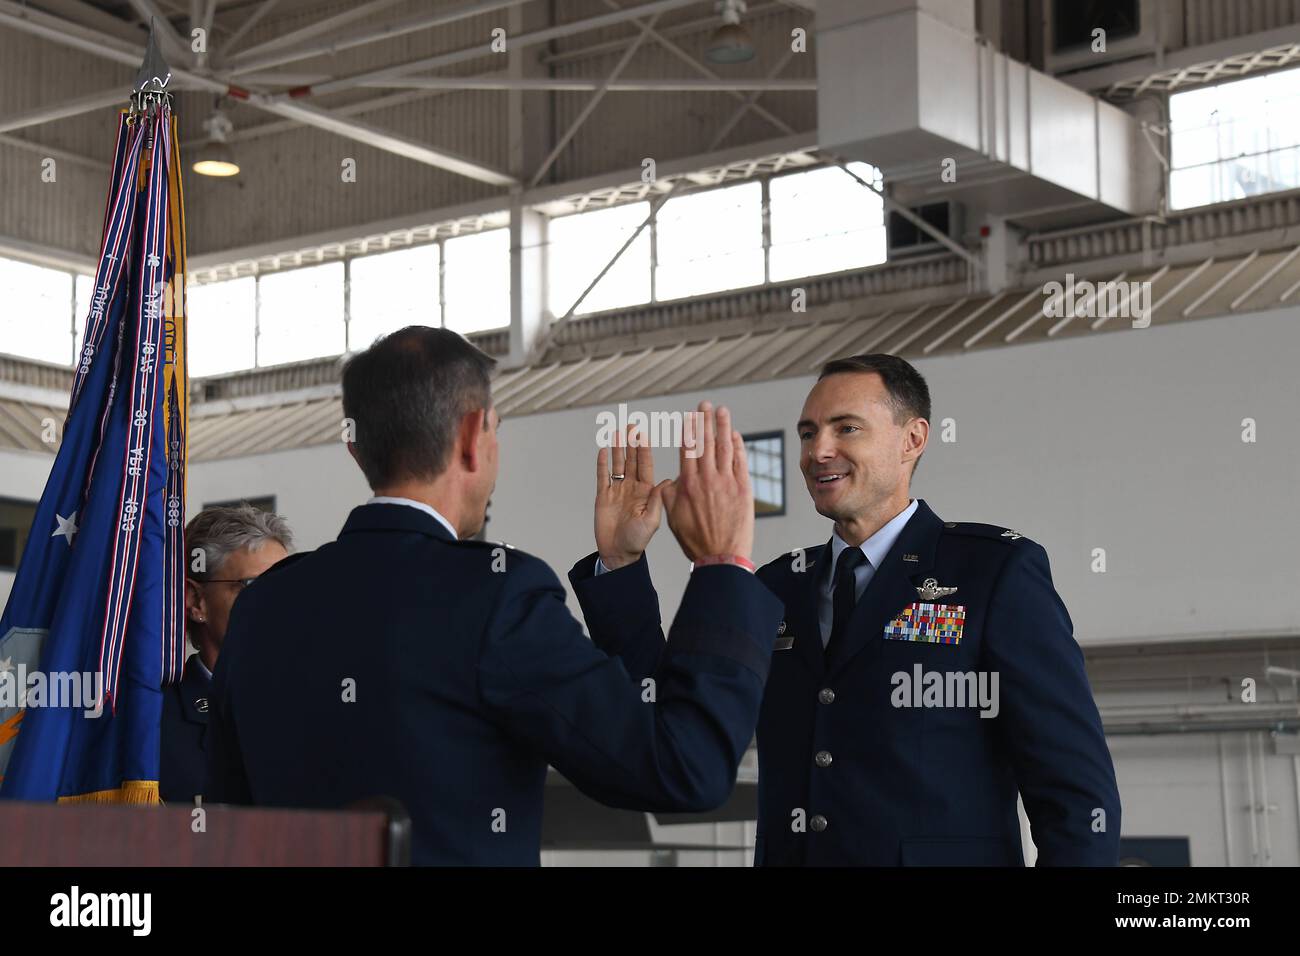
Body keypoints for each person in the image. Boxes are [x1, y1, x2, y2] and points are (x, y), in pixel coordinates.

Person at [204, 326, 781, 866]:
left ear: (358, 449)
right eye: (497, 428)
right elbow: (682, 766)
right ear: (471, 437)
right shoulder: (496, 597)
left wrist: (620, 566)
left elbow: (227, 820)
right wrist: (721, 564)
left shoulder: (261, 606)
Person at [570, 353, 1122, 866]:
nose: (818, 451)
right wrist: (620, 563)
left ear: (913, 438)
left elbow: (1073, 791)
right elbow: (669, 721)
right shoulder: (776, 586)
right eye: (808, 434)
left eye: (845, 428)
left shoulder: (993, 573)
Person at [159, 503, 292, 804]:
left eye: (287, 587)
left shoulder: (320, 703)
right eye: (256, 587)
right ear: (196, 601)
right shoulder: (152, 721)